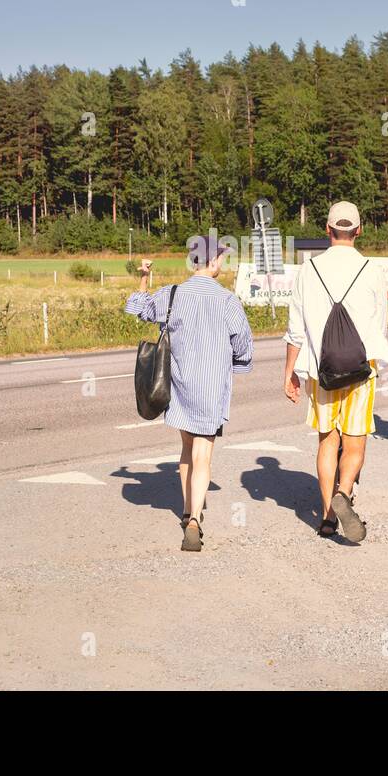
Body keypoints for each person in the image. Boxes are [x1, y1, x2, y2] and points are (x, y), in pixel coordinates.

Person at [125, 237, 254, 552]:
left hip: (179, 386)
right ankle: (195, 519)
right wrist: (233, 366)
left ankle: (185, 511)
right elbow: (244, 347)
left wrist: (143, 276)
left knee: (186, 449)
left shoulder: (172, 294)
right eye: (222, 258)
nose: (222, 264)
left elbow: (136, 308)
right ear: (211, 261)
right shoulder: (226, 301)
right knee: (203, 455)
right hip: (210, 389)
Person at [283, 201, 388, 542]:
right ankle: (345, 491)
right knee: (355, 442)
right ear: (359, 231)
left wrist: (290, 372)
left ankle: (328, 516)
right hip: (361, 369)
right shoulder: (372, 270)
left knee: (327, 441)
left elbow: (295, 329)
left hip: (320, 370)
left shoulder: (309, 270)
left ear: (327, 230)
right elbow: (379, 326)